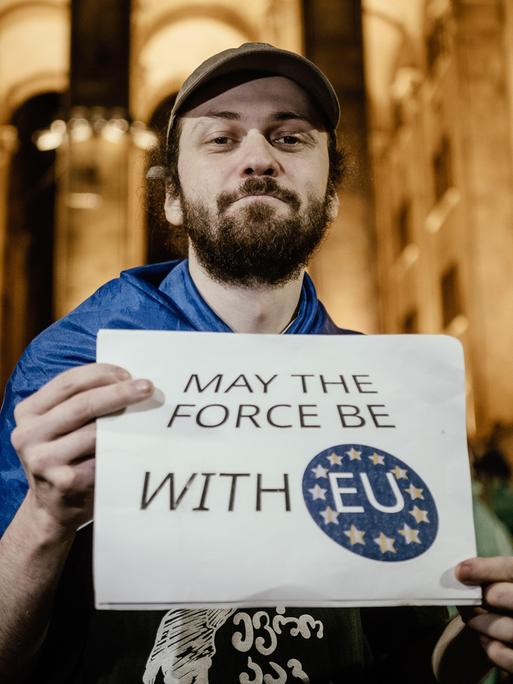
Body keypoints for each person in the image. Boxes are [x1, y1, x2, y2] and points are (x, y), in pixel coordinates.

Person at [0, 42, 509, 683]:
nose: (258, 159)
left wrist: (489, 646)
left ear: (331, 199)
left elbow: (418, 650)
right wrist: (44, 519)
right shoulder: (74, 364)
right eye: (220, 139)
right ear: (173, 201)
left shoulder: (382, 385)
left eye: (291, 138)